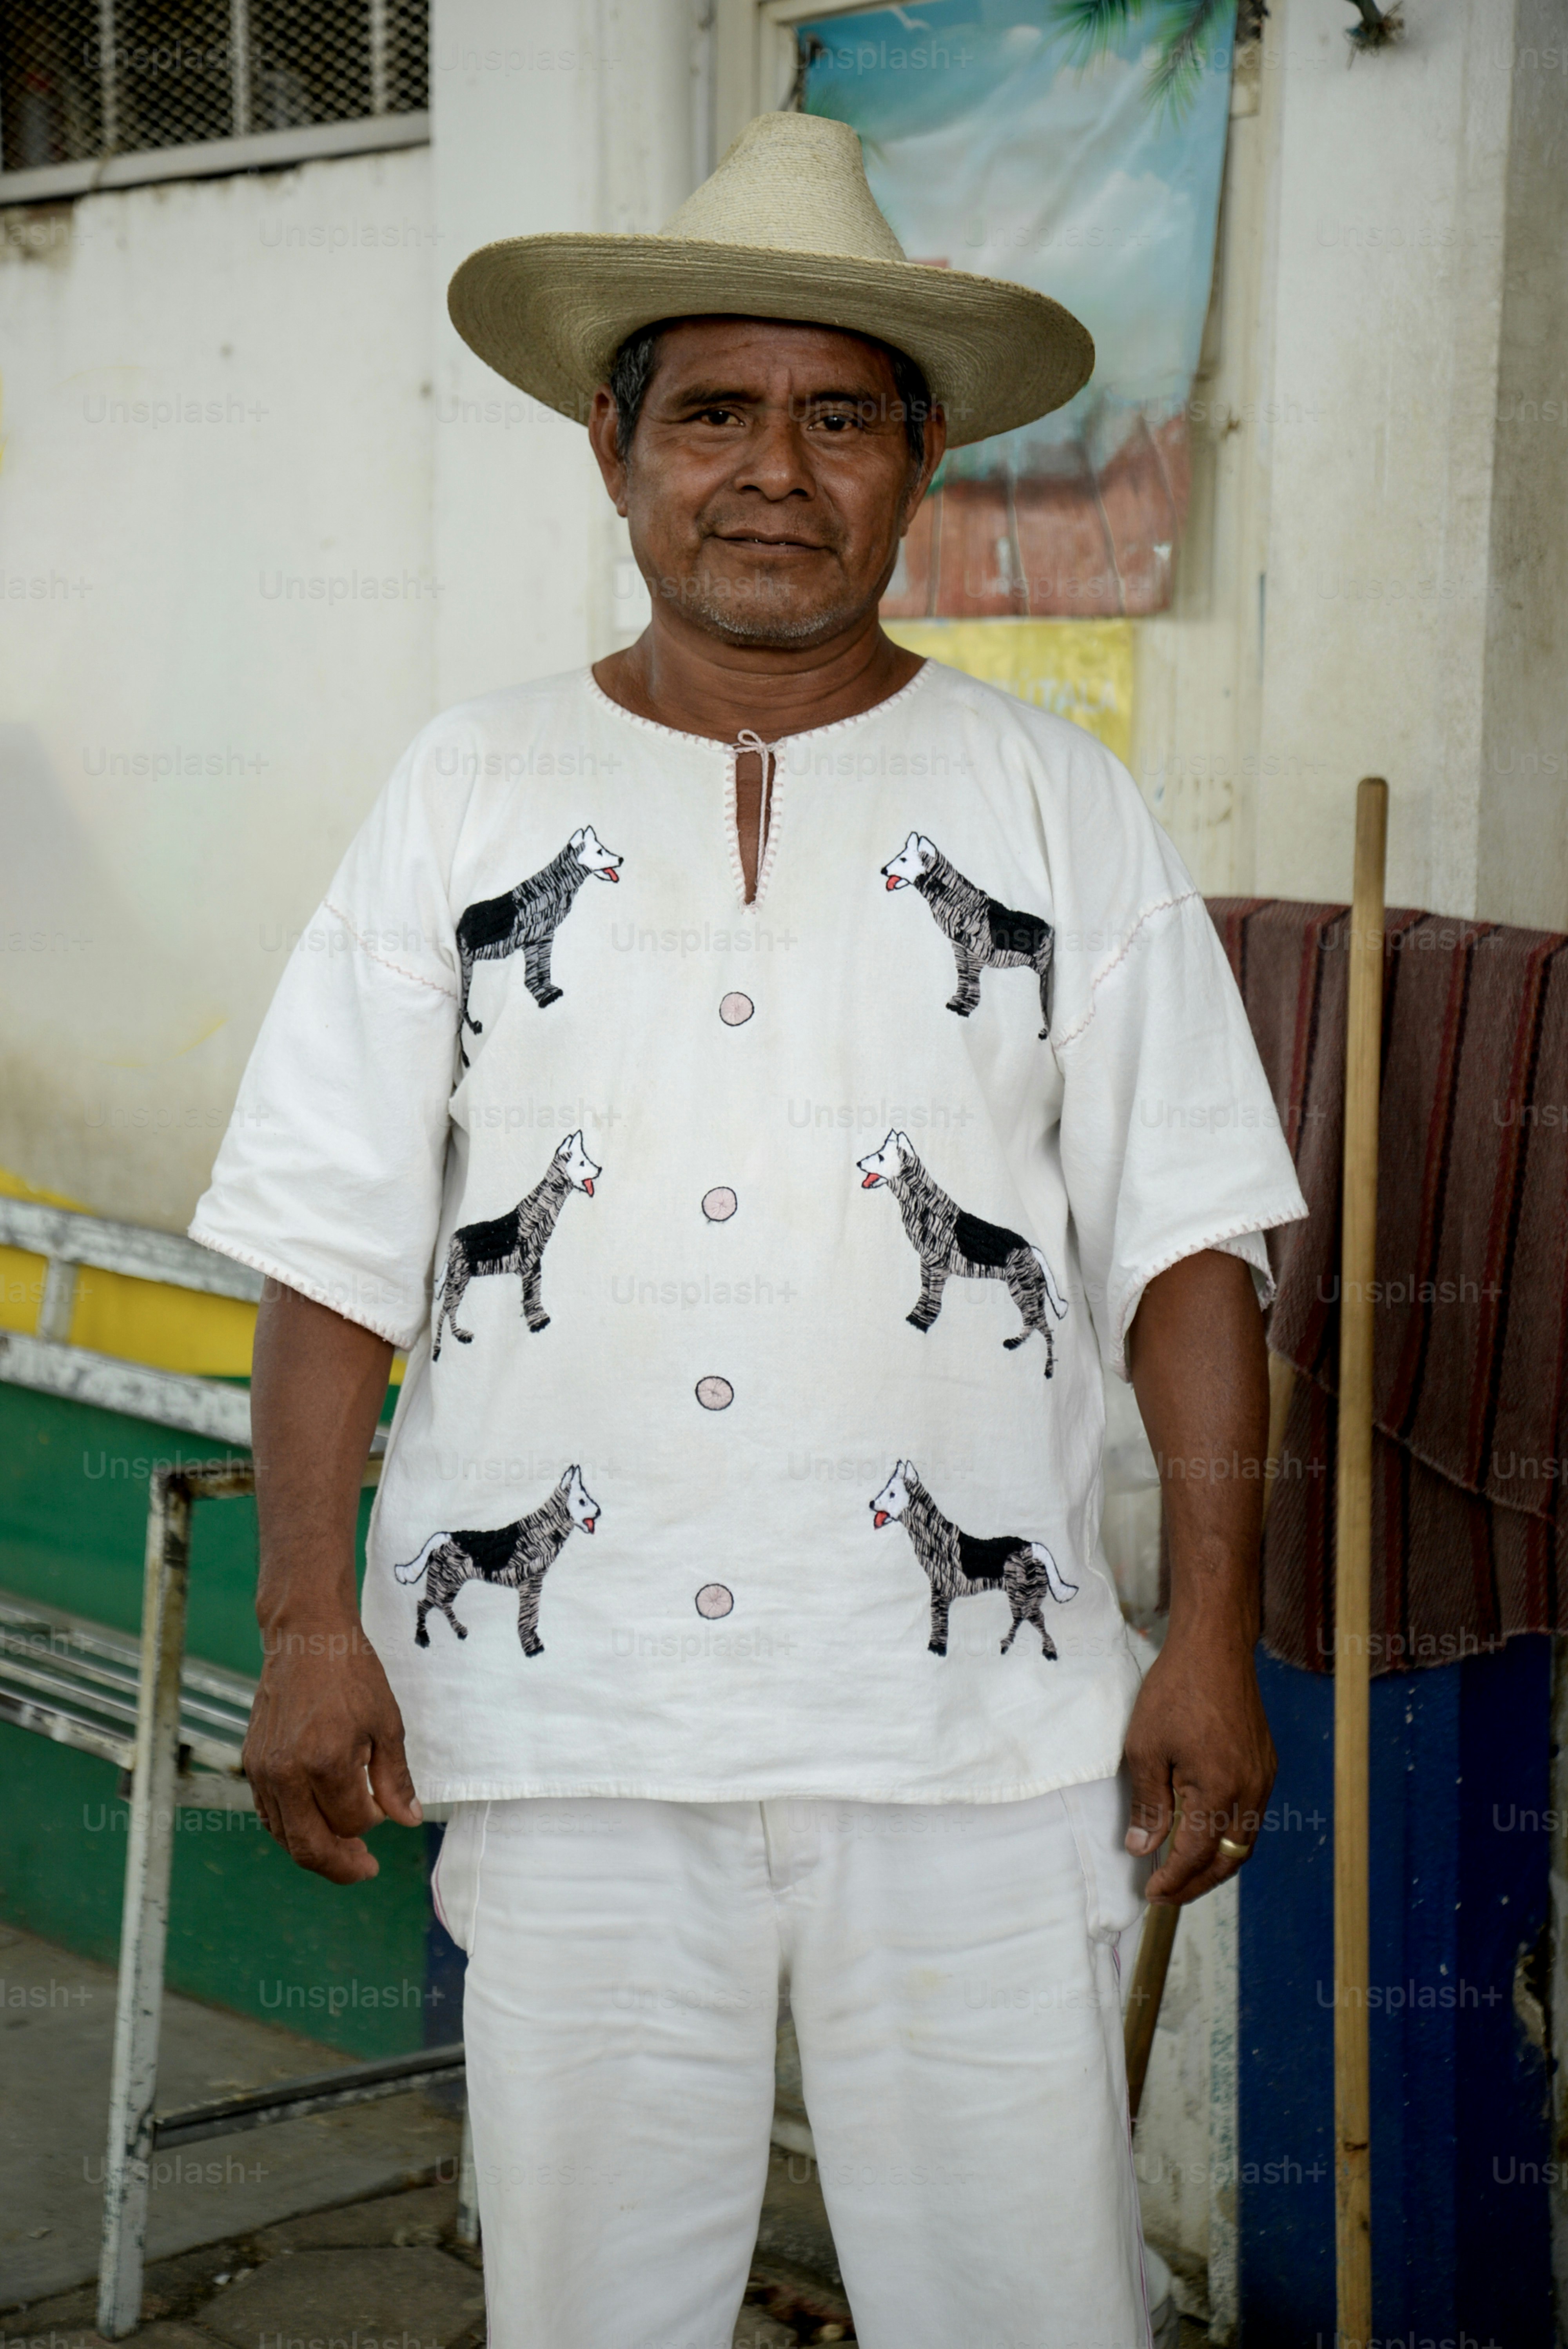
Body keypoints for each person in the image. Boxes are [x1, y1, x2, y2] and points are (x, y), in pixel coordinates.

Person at [194, 110, 1306, 2349]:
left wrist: (1212, 1631)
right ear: (612, 451)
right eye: (712, 412)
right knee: (594, 2309)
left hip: (979, 1740)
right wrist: (305, 1619)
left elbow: (1191, 1249)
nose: (773, 472)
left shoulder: (1055, 807)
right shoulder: (467, 790)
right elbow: (327, 1244)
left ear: (921, 464)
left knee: (1029, 2304)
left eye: (839, 418)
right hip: (576, 1724)